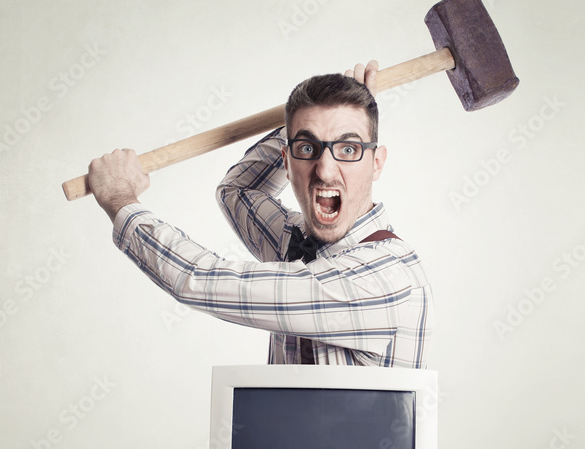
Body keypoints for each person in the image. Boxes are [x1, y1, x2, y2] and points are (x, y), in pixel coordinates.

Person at [86, 61, 433, 368]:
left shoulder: (383, 280)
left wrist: (120, 198)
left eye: (348, 148)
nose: (325, 170)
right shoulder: (297, 242)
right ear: (286, 159)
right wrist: (315, 119)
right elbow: (239, 191)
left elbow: (199, 279)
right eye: (308, 148)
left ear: (377, 163)